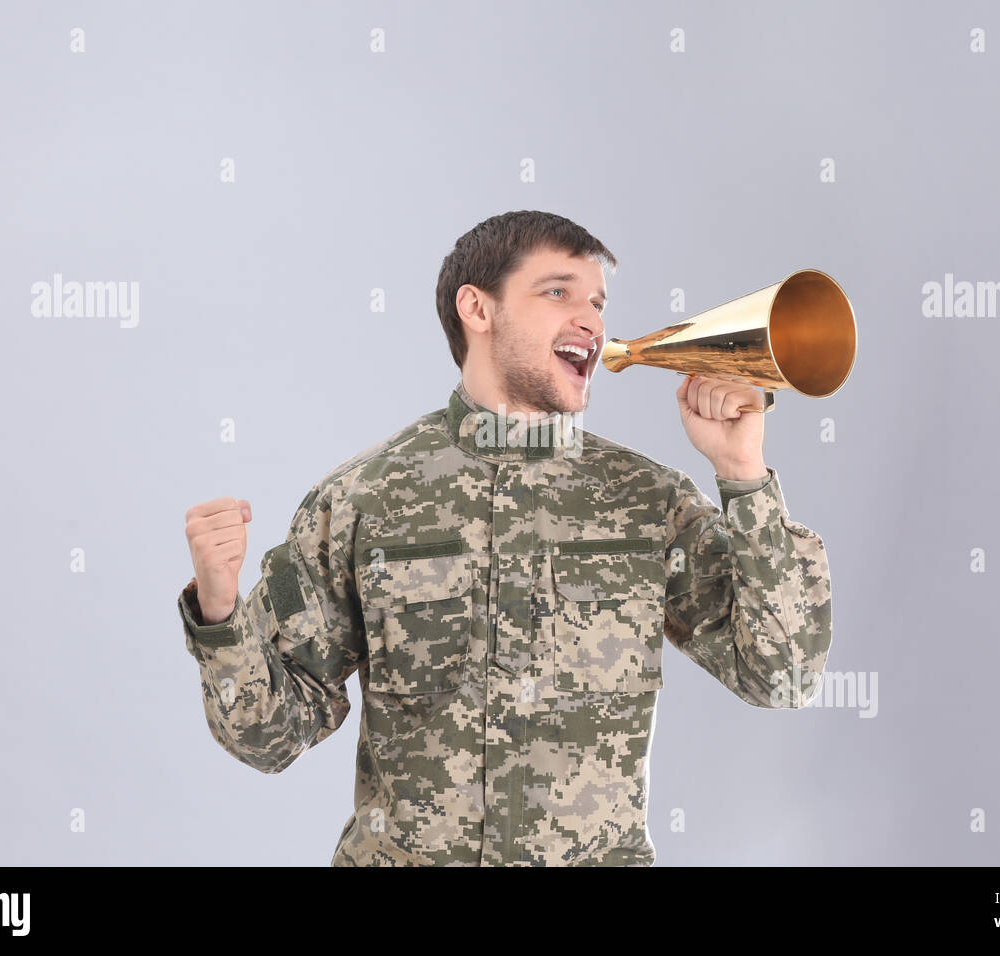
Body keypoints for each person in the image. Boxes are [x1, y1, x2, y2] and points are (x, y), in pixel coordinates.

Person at [176, 209, 833, 866]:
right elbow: (270, 739)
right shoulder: (358, 501)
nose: (592, 321)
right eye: (558, 293)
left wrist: (743, 475)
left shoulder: (651, 502)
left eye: (598, 302)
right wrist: (221, 615)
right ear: (477, 308)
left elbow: (783, 676)